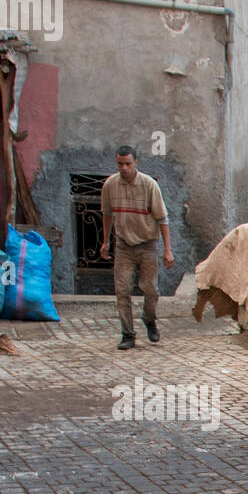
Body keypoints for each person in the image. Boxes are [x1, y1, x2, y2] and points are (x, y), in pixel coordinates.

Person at [101, 146, 174, 349]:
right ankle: (127, 334)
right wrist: (106, 242)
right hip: (124, 245)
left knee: (150, 289)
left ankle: (149, 319)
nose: (124, 168)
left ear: (136, 163)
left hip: (147, 245)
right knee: (122, 290)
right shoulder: (110, 185)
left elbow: (162, 218)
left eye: (128, 164)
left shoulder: (149, 185)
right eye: (120, 164)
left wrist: (168, 250)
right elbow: (107, 214)